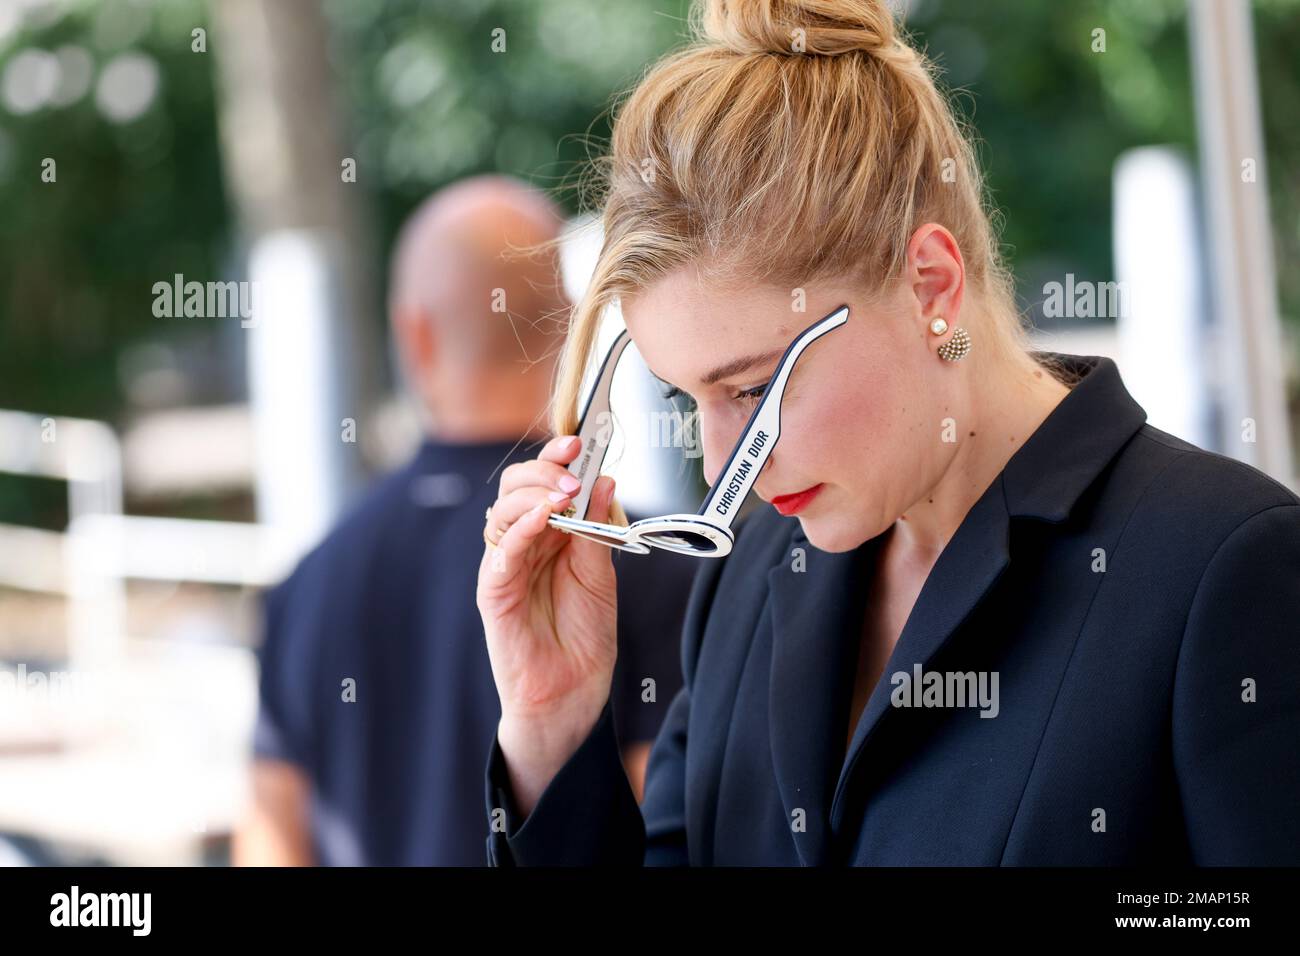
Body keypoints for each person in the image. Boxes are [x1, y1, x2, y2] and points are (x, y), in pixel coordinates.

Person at [475, 0, 1300, 865]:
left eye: (755, 389)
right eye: (688, 399)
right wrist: (552, 727)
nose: (726, 470)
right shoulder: (748, 578)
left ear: (932, 287)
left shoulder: (1221, 568)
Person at [233, 175, 694, 866]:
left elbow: (270, 841)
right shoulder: (643, 560)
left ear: (413, 333)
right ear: (569, 323)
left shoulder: (309, 583)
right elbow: (670, 830)